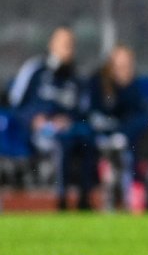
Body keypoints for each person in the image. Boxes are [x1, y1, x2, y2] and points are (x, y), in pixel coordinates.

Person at [8, 27, 88, 209]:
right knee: (58, 144)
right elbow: (15, 103)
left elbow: (83, 110)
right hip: (39, 134)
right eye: (63, 43)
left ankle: (85, 200)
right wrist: (34, 119)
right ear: (52, 44)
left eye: (70, 44)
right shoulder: (35, 70)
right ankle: (61, 201)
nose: (67, 48)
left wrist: (69, 120)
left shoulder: (77, 77)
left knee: (86, 141)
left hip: (69, 131)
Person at [80, 45, 148, 208]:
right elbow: (89, 115)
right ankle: (92, 193)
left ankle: (135, 191)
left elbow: (145, 117)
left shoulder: (135, 88)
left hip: (128, 143)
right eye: (120, 66)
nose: (125, 70)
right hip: (100, 139)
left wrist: (123, 135)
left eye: (128, 65)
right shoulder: (97, 85)